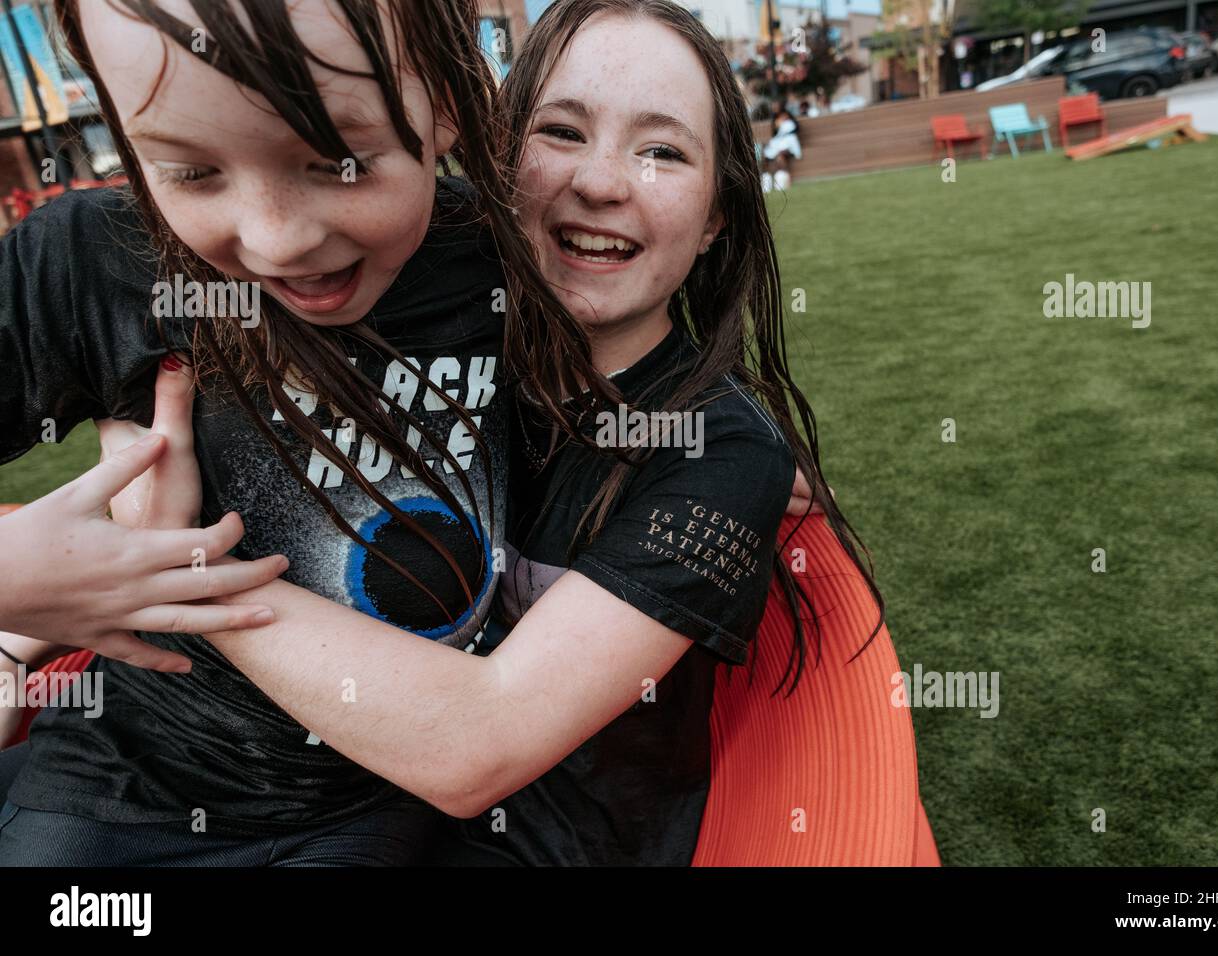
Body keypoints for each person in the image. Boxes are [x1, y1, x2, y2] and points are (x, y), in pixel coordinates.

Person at [12, 0, 881, 866]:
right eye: (563, 132)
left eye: (663, 150)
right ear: (502, 163)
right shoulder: (397, 259)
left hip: (408, 817)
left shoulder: (709, 441)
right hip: (126, 780)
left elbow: (477, 742)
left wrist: (177, 568)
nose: (280, 241)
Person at [0, 0, 609, 866]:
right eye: (191, 171)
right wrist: (17, 581)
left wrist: (686, 434)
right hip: (126, 782)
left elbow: (646, 381)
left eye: (339, 160)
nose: (277, 240)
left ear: (444, 98)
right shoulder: (93, 261)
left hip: (378, 787)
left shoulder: (508, 260)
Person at [761, 106, 801, 193]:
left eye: (783, 116)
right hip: (778, 146)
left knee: (780, 157)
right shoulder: (778, 127)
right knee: (766, 157)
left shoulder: (791, 125)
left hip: (787, 148)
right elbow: (776, 138)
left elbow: (791, 139)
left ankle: (784, 181)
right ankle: (767, 182)